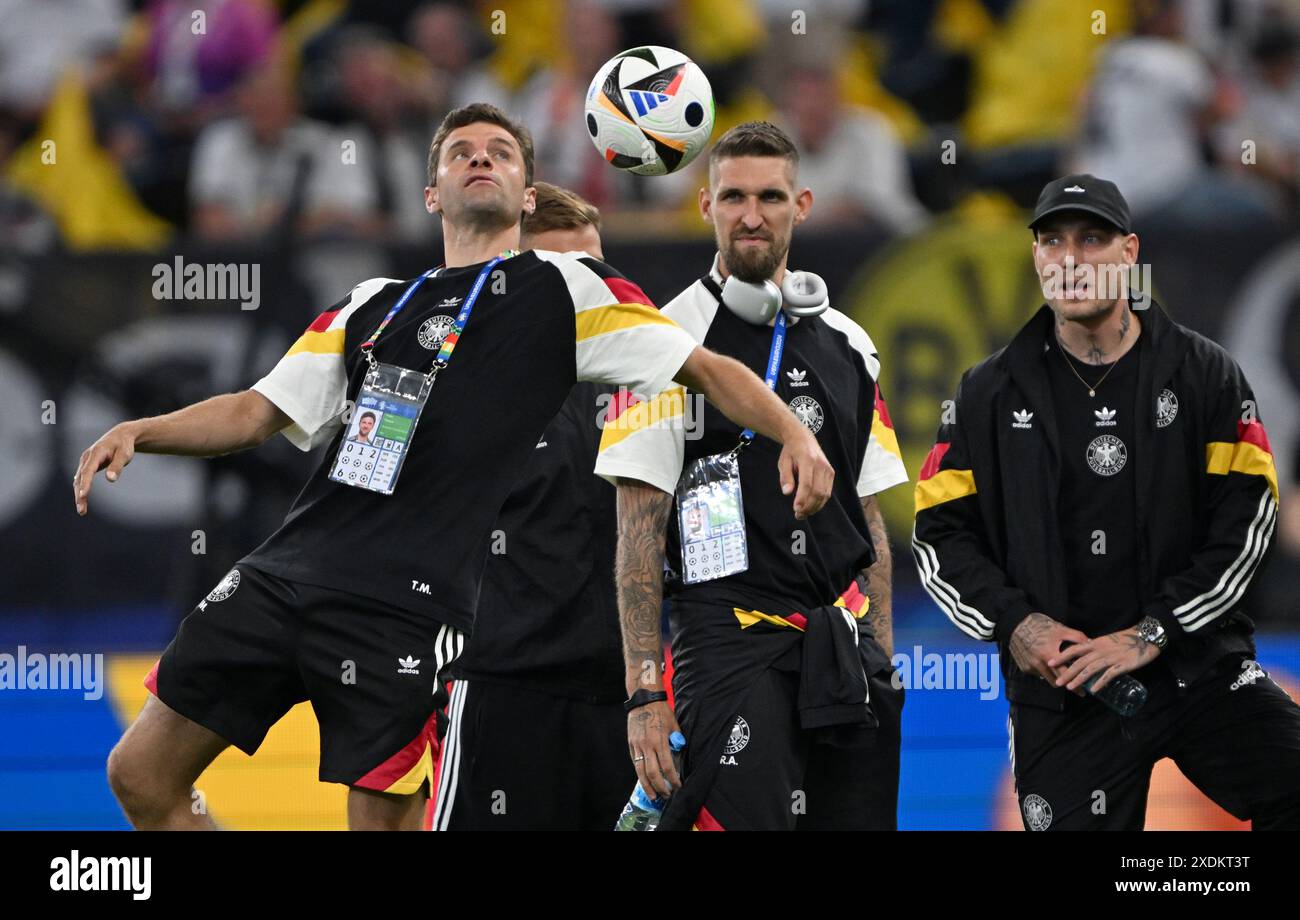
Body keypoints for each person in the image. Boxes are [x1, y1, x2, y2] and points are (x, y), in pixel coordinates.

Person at [76, 103, 835, 831]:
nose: (482, 157)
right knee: (138, 773)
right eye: (461, 151)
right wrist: (145, 430)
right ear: (431, 193)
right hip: (284, 574)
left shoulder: (568, 290)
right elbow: (253, 410)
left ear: (525, 195)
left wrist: (794, 437)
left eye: (501, 153)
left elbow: (705, 369)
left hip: (404, 615)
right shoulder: (370, 305)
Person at [913, 173, 1300, 830]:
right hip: (1066, 693)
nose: (1071, 259)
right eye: (1053, 242)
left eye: (1092, 240)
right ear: (1035, 257)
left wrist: (1154, 632)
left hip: (1195, 668)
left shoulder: (1205, 373)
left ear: (1129, 253)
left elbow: (1249, 523)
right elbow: (938, 536)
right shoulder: (986, 393)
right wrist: (1017, 625)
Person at [596, 122, 909, 830]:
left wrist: (883, 664)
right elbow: (637, 533)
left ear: (801, 204)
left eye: (770, 196)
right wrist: (645, 695)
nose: (750, 215)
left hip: (842, 649)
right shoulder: (659, 343)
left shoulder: (850, 343)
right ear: (704, 206)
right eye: (732, 196)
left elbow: (870, 522)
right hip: (728, 645)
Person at [432, 181, 634, 831]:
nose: (591, 290)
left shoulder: (648, 384)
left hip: (628, 703)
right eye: (566, 273)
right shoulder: (454, 385)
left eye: (597, 269)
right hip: (501, 693)